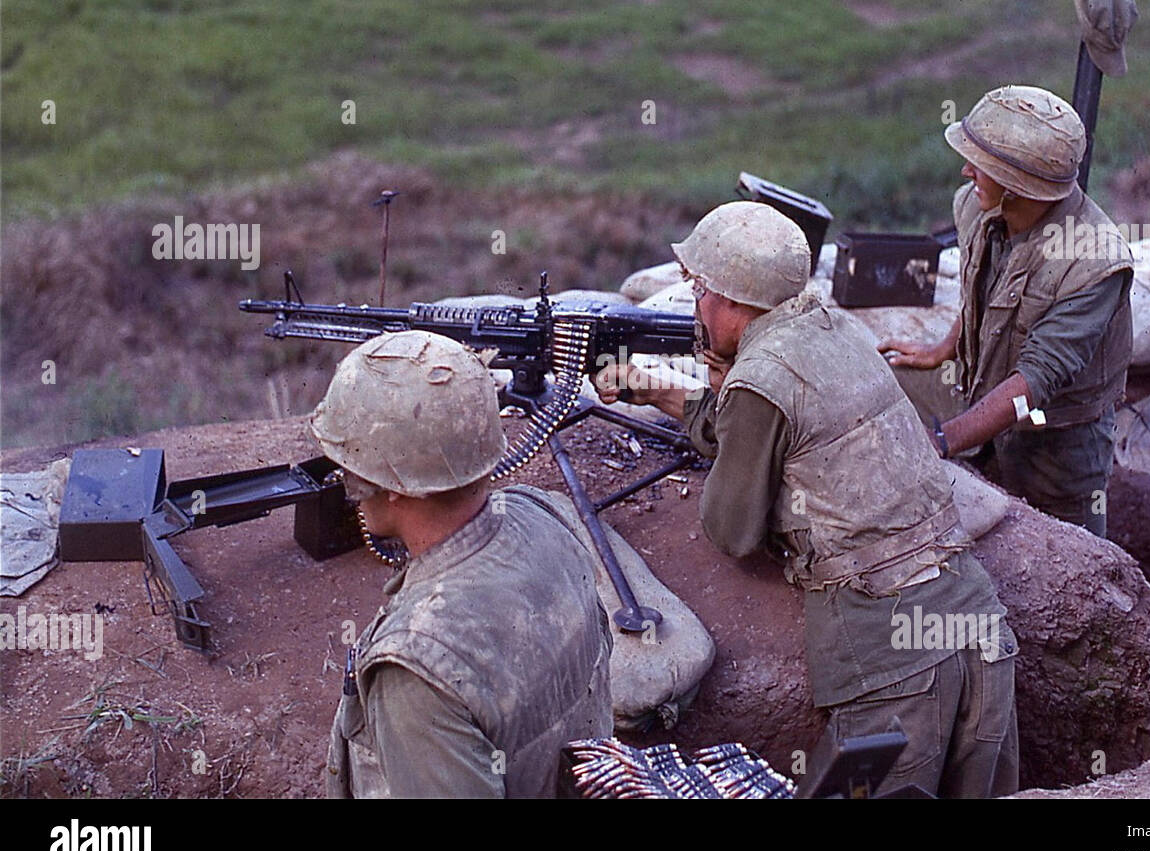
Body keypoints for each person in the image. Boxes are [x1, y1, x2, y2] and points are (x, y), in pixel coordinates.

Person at [594, 202, 1018, 798]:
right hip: (977, 621)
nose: (696, 306)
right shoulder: (831, 327)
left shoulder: (757, 378)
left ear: (735, 300)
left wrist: (723, 382)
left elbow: (731, 530)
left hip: (889, 647)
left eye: (700, 292)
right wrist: (664, 390)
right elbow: (765, 423)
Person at [311, 330, 613, 798]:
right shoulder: (543, 514)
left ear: (394, 484)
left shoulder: (414, 669)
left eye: (351, 464)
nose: (347, 479)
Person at [878, 85, 1134, 538]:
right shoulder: (977, 209)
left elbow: (1036, 382)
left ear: (1017, 186)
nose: (965, 170)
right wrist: (945, 349)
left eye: (980, 165)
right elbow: (983, 287)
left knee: (1077, 577)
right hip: (987, 410)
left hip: (1056, 453)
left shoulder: (1093, 262)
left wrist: (943, 440)